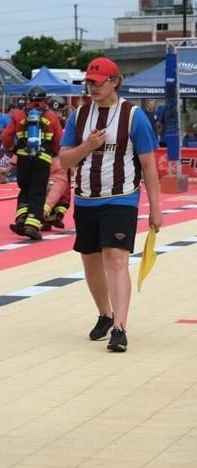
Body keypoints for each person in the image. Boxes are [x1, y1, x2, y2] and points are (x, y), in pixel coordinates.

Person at [59, 57, 163, 353]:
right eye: (88, 82)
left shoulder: (133, 116)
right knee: (90, 263)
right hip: (86, 198)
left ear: (114, 81)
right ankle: (105, 314)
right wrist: (87, 146)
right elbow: (64, 160)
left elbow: (149, 165)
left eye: (97, 82)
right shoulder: (78, 116)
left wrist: (156, 208)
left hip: (121, 198)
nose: (91, 87)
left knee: (116, 260)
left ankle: (120, 327)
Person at [1, 85, 63, 240]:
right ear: (45, 100)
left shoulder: (19, 115)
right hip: (43, 159)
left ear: (28, 99)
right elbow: (58, 140)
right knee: (38, 191)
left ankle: (21, 218)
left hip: (23, 159)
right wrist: (54, 153)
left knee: (25, 189)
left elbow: (6, 137)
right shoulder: (51, 116)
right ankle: (32, 225)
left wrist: (12, 148)